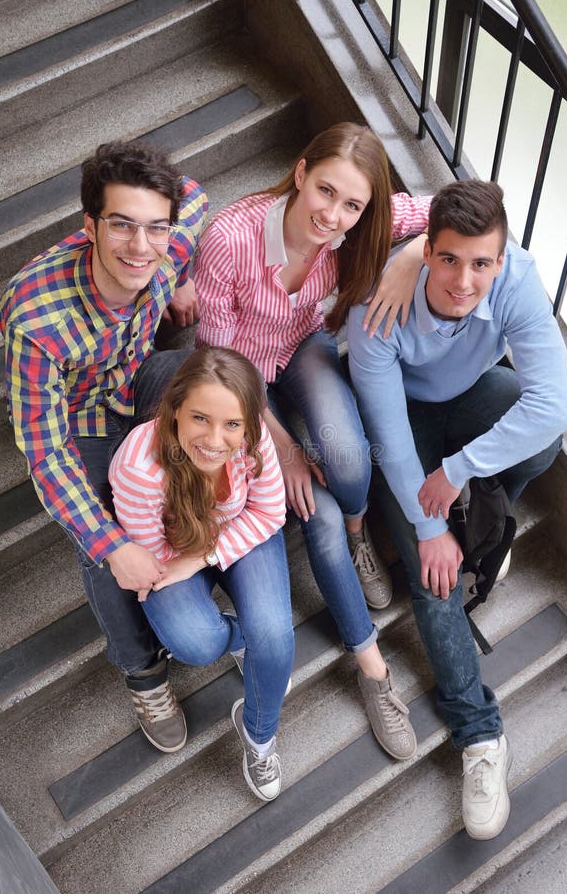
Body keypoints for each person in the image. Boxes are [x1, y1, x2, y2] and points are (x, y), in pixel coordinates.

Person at [194, 123, 430, 760]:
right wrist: (282, 447)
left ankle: (359, 534)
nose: (333, 216)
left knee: (350, 466)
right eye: (325, 191)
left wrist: (411, 252)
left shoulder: (361, 223)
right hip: (238, 380)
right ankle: (376, 672)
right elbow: (219, 362)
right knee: (314, 515)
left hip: (303, 348)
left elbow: (463, 207)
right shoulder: (230, 240)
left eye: (352, 205)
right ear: (300, 173)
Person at [347, 179, 567, 839]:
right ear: (426, 251)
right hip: (406, 420)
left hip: (472, 400)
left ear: (500, 260)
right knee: (432, 573)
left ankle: (485, 533)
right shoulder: (377, 310)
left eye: (481, 263)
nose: (463, 280)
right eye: (448, 259)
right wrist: (426, 529)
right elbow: (388, 439)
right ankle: (479, 734)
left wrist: (457, 472)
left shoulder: (515, 275)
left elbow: (554, 405)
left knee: (539, 429)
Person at [0, 140, 208, 753]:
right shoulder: (37, 322)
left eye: (154, 229)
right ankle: (143, 671)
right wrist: (115, 546)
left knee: (214, 387)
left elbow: (192, 196)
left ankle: (212, 553)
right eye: (121, 226)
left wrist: (179, 283)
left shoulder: (167, 248)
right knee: (98, 536)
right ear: (89, 226)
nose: (141, 247)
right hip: (78, 418)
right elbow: (44, 452)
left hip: (136, 377)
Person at [108, 347, 294, 801]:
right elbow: (156, 564)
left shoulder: (251, 440)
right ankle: (242, 641)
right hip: (171, 554)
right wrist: (192, 559)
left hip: (241, 529)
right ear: (175, 412)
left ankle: (258, 736)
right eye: (200, 419)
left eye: (232, 424)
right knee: (196, 641)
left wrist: (204, 556)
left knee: (276, 637)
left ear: (249, 422)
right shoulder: (139, 469)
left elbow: (269, 511)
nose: (215, 439)